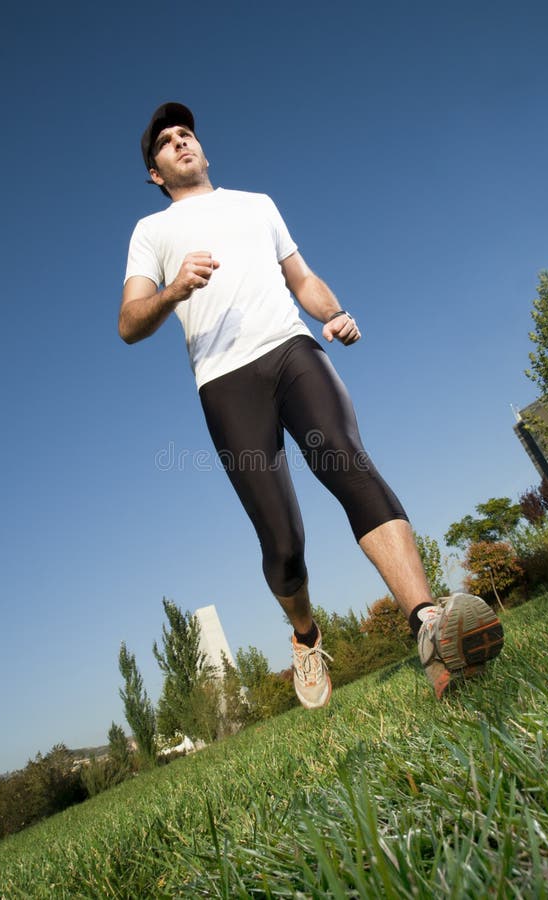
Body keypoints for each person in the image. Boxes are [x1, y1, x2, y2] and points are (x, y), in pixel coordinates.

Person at [119, 101, 504, 706]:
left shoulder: (257, 204)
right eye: (166, 142)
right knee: (282, 539)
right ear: (156, 174)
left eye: (186, 133)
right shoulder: (152, 232)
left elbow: (301, 279)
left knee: (348, 463)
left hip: (292, 348)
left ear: (202, 147)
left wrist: (335, 312)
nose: (180, 141)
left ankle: (429, 627)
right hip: (225, 381)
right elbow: (128, 323)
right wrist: (172, 290)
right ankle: (305, 635)